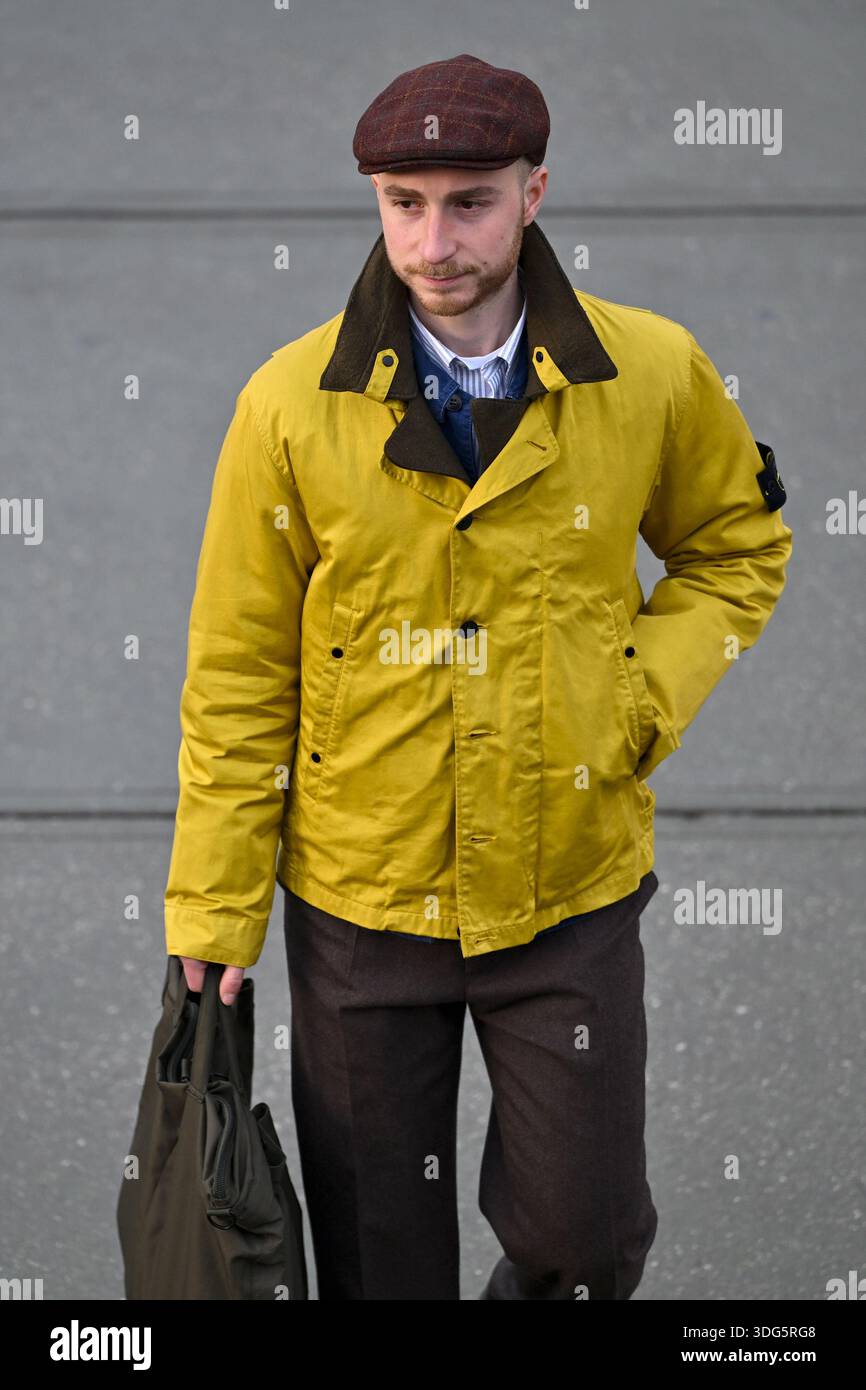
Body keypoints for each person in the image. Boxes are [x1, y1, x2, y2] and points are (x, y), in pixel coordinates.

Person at [163, 54, 793, 1299]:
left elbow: (735, 548)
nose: (433, 238)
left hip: (566, 885)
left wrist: (634, 698)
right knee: (379, 1263)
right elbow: (237, 670)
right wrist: (215, 906)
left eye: (470, 200)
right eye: (405, 201)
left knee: (584, 1242)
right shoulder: (289, 405)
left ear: (534, 192)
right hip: (362, 898)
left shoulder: (650, 374)